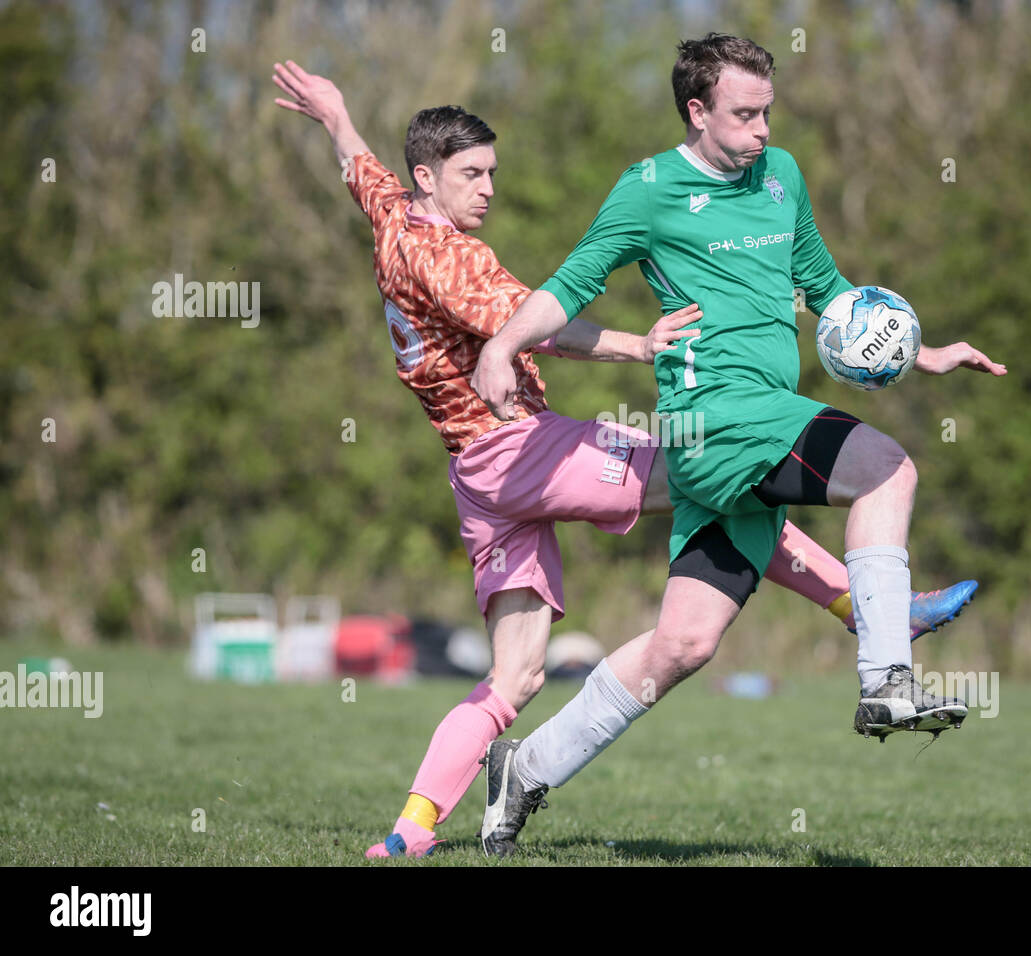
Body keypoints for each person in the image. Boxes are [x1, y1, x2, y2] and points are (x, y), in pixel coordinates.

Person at [273, 60, 977, 857]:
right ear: (427, 176)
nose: (490, 188)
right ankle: (874, 620)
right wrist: (636, 345)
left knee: (542, 674)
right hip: (521, 450)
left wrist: (334, 112)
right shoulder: (454, 261)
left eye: (493, 171)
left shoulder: (391, 215)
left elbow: (353, 163)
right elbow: (551, 319)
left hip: (474, 480)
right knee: (708, 460)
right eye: (473, 174)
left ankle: (422, 823)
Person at [471, 33, 1006, 856]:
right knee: (887, 470)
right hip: (715, 421)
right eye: (744, 115)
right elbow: (570, 284)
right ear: (697, 110)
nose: (762, 130)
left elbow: (825, 289)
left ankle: (525, 768)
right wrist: (504, 346)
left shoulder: (781, 174)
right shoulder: (648, 190)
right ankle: (887, 682)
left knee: (682, 645)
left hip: (753, 434)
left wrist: (921, 350)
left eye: (767, 112)